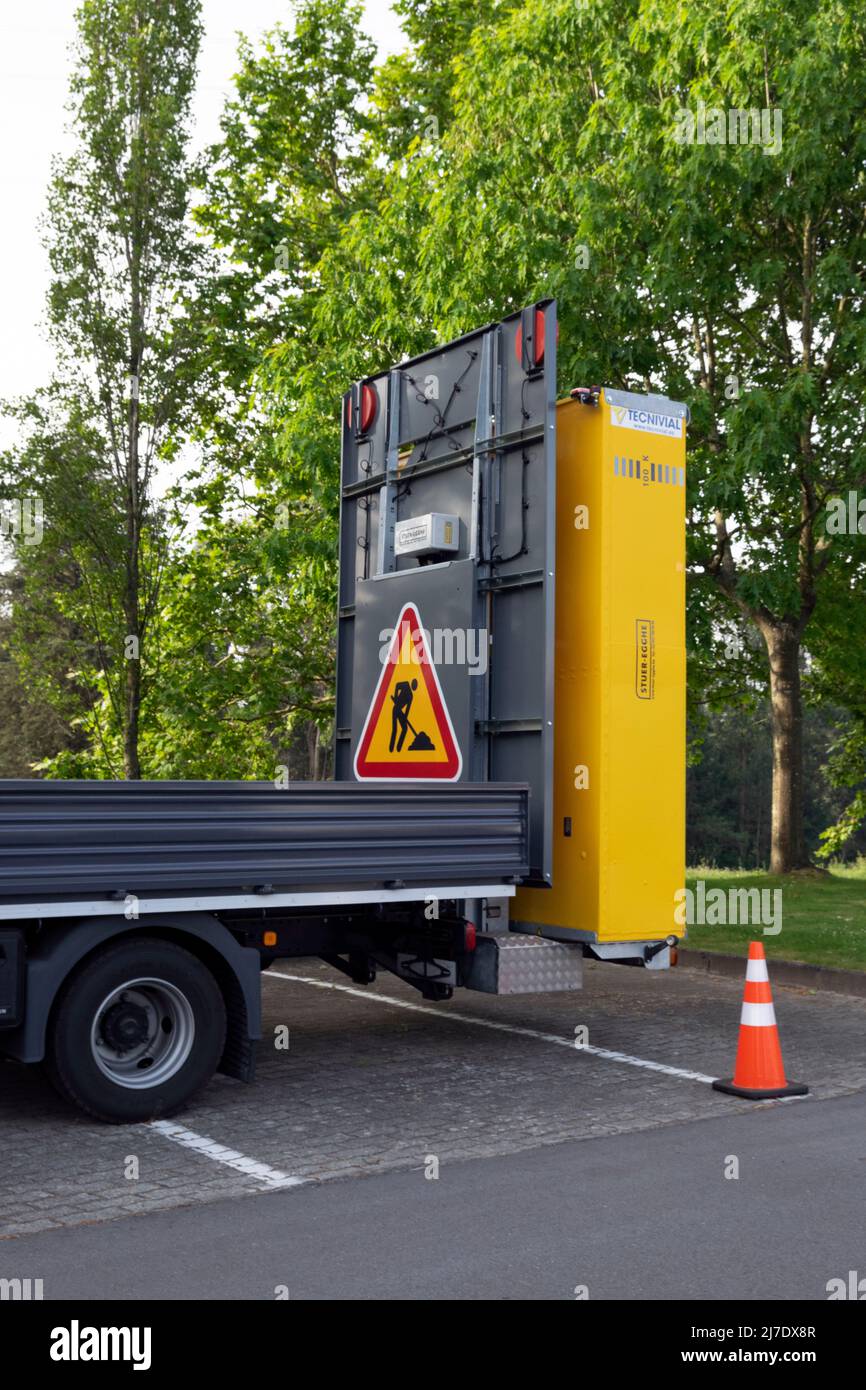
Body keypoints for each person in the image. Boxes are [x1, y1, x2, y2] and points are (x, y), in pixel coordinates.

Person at [389, 678, 417, 752]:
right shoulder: (406, 685)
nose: (414, 687)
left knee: (405, 728)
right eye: (414, 685)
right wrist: (396, 698)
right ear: (412, 683)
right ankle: (391, 748)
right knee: (395, 729)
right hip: (395, 709)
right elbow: (397, 685)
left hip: (400, 712)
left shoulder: (411, 696)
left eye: (415, 686)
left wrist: (405, 717)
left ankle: (399, 748)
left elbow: (407, 709)